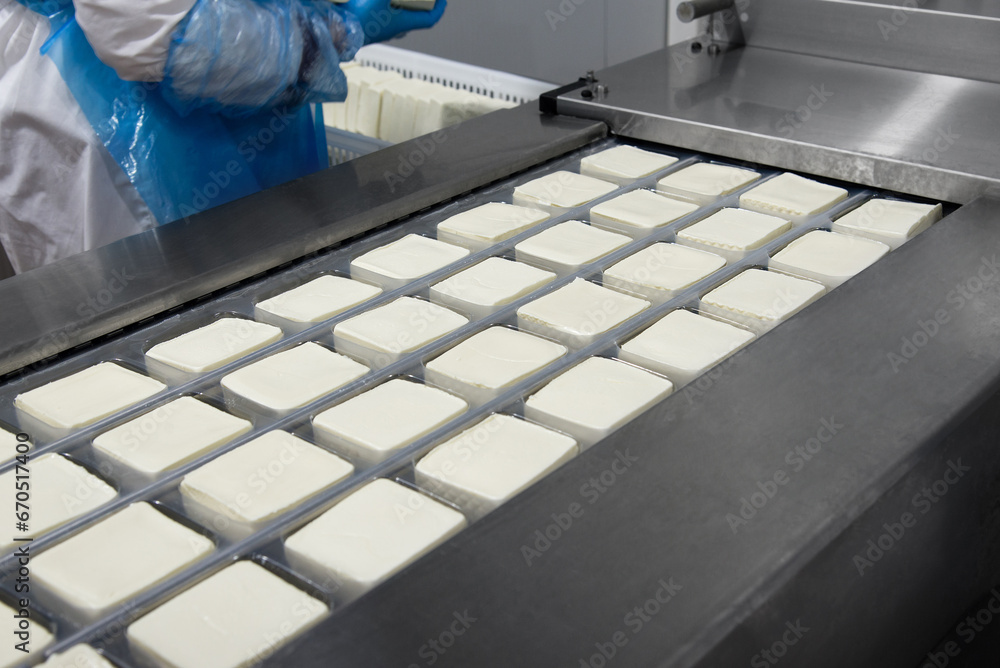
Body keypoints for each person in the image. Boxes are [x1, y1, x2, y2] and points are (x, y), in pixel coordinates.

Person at [0, 0, 445, 275]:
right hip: (104, 108)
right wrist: (328, 35)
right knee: (140, 343)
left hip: (231, 95)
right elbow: (148, 31)